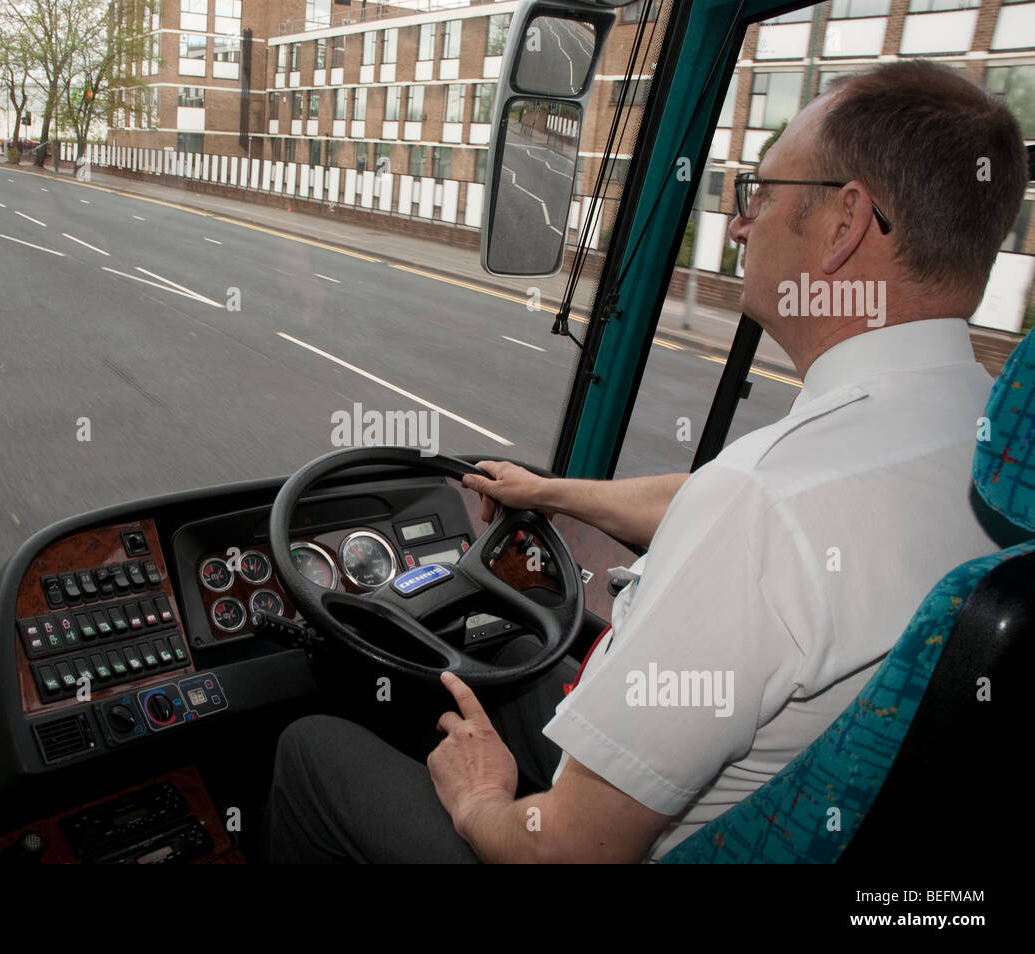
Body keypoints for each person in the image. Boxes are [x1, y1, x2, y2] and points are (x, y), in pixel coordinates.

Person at [267, 60, 1029, 863]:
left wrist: (483, 799)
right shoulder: (990, 444)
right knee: (515, 659)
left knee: (312, 748)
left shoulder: (765, 504)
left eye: (760, 195)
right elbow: (721, 507)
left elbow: (568, 851)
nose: (739, 226)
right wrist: (551, 493)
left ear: (843, 224)